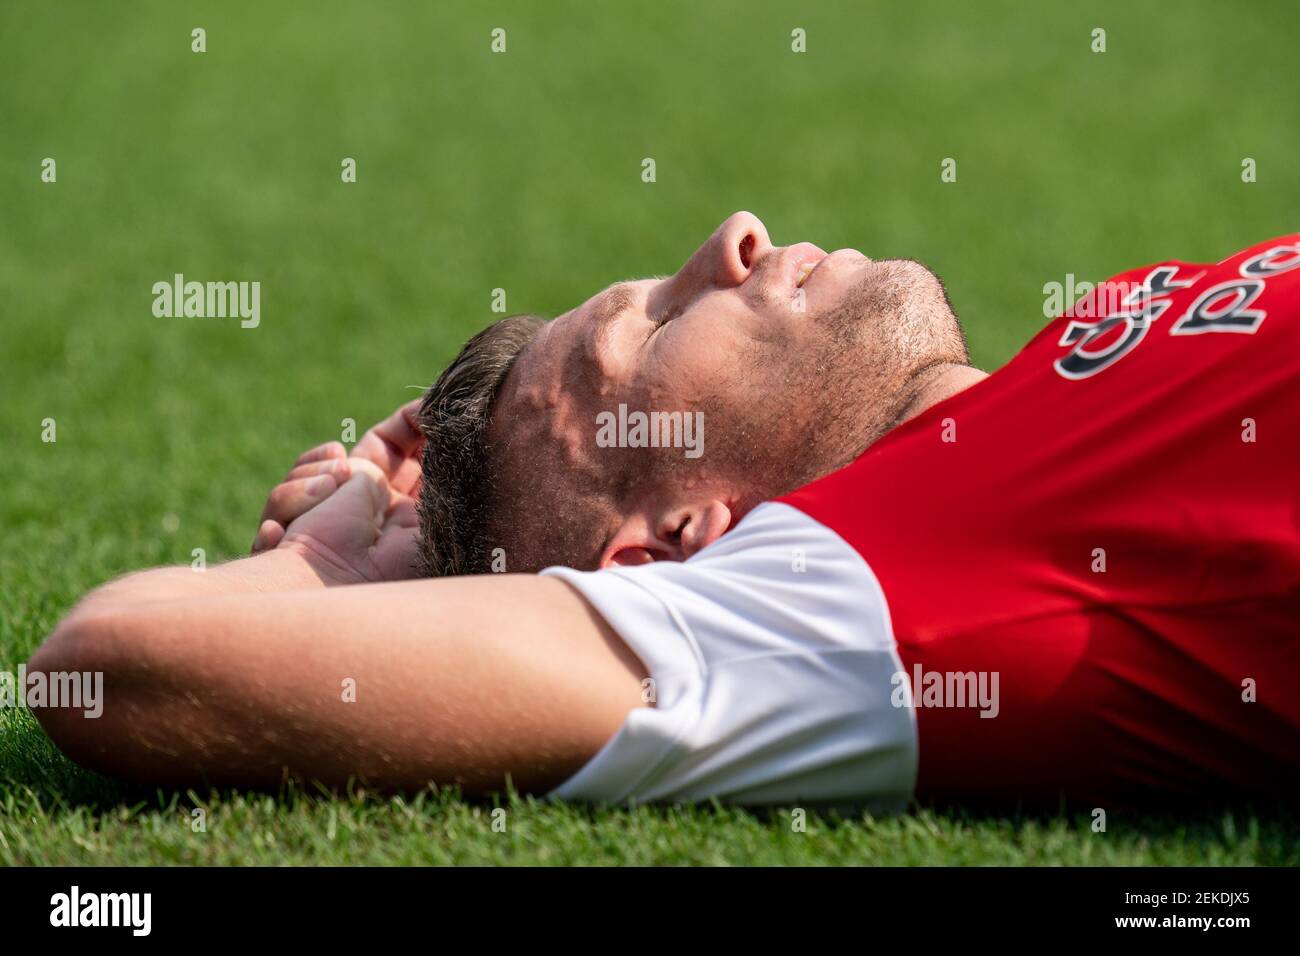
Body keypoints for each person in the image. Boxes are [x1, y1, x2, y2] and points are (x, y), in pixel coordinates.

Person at [28, 213, 1300, 809]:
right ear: (679, 542)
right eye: (646, 335)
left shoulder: (1085, 339)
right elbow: (115, 665)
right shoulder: (830, 588)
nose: (732, 238)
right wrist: (331, 557)